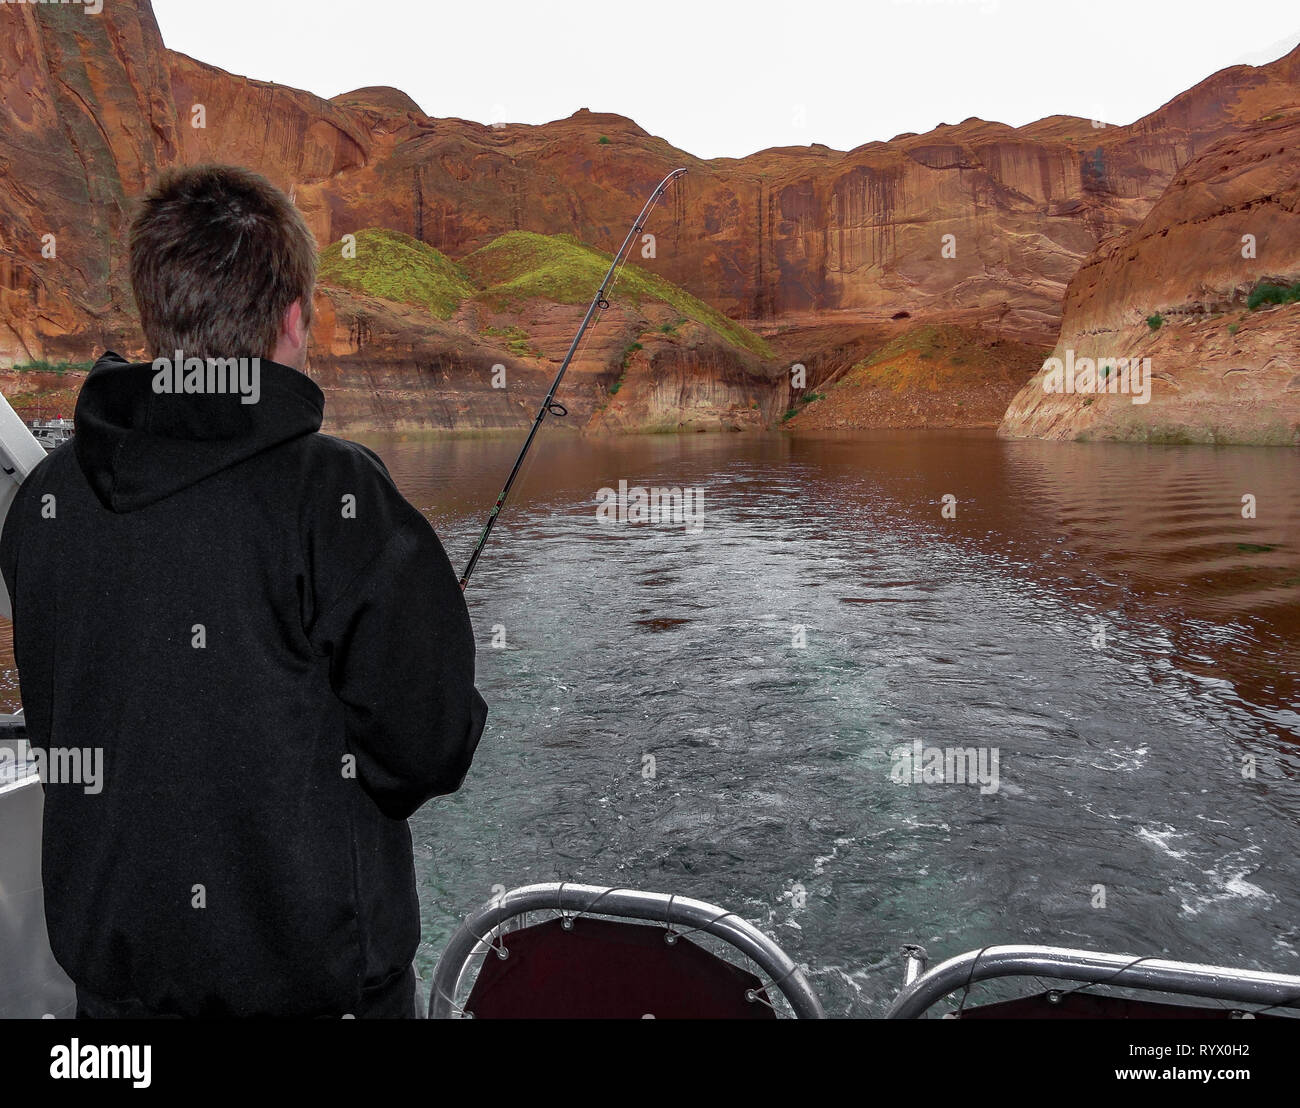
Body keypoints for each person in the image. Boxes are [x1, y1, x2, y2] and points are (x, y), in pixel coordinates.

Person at [0, 164, 488, 1018]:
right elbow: (430, 749)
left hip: (115, 1004)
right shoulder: (337, 494)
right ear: (292, 316)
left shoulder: (45, 499)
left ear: (154, 313)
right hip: (319, 994)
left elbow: (63, 715)